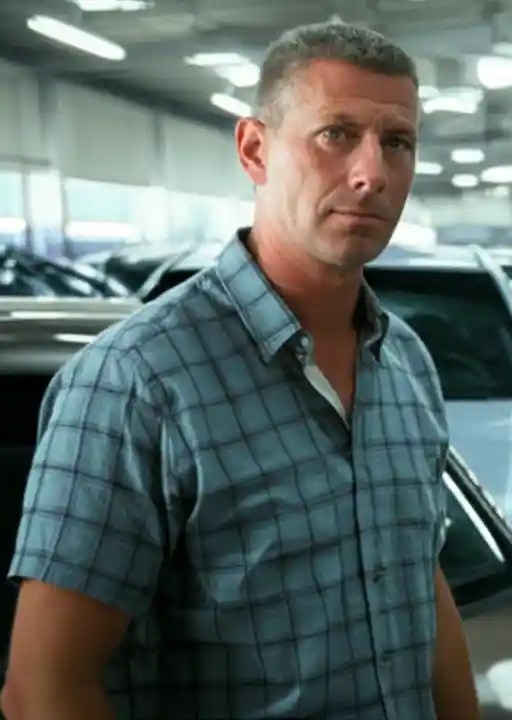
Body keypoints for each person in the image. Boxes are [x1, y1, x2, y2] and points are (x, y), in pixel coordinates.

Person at [1, 22, 480, 720]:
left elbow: (416, 576)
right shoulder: (136, 381)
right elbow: (45, 689)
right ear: (255, 150)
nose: (371, 172)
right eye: (336, 134)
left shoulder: (404, 361)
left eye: (397, 142)